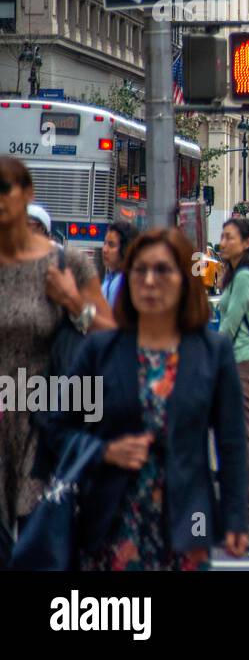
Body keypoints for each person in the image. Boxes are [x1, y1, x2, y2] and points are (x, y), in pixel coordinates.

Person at [41, 227, 249, 570]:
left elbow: (232, 442)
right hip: (110, 524)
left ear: (185, 280)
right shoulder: (101, 351)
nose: (150, 281)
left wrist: (236, 516)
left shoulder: (212, 352)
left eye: (163, 270)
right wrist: (105, 451)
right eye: (140, 270)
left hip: (187, 524)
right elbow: (56, 426)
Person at [0, 157, 113, 562]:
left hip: (44, 414)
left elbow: (110, 334)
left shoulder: (68, 264)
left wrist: (72, 300)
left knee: (39, 531)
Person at [217, 216, 249, 532]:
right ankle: (246, 504)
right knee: (240, 434)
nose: (222, 243)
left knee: (247, 435)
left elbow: (229, 325)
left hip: (241, 362)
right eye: (222, 237)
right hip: (237, 362)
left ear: (247, 243)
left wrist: (208, 354)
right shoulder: (238, 275)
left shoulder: (245, 277)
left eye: (229, 237)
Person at [100, 220, 137, 308]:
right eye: (105, 243)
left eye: (111, 245)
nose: (104, 249)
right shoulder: (109, 278)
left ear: (126, 248)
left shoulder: (128, 283)